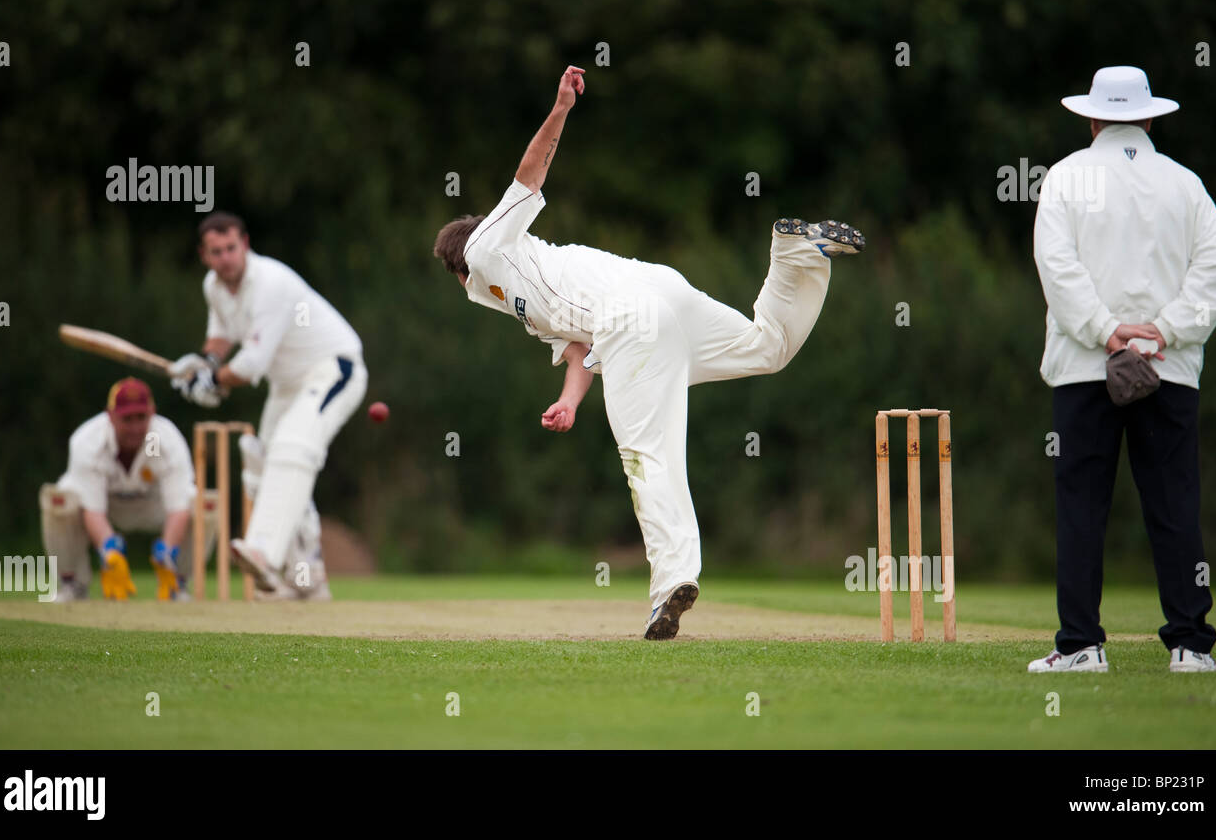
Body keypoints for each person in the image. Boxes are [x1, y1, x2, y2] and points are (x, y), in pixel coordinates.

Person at [433, 65, 864, 639]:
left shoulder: (487, 244)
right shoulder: (520, 295)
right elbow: (579, 350)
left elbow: (528, 176)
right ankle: (794, 254)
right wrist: (570, 402)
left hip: (633, 318)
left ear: (456, 267)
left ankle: (672, 586)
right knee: (769, 348)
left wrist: (560, 108)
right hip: (658, 293)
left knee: (646, 454)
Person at [1029, 66, 1216, 673]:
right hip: (1168, 369)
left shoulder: (1066, 176)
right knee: (1175, 505)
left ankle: (1081, 646)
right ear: (1148, 118)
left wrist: (1103, 330)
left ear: (1092, 119)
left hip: (1082, 368)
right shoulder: (1186, 184)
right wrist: (1164, 329)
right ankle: (1190, 647)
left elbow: (1057, 268)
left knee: (1081, 508)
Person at [170, 212, 366, 600]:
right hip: (287, 384)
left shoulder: (270, 283)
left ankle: (262, 551)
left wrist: (213, 379)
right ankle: (305, 579)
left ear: (245, 245)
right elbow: (221, 340)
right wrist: (203, 366)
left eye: (231, 248)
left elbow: (251, 365)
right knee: (261, 464)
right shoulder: (215, 287)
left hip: (333, 369)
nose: (225, 258)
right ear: (204, 256)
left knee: (294, 449)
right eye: (216, 252)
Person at [39, 378, 201, 601]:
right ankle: (72, 583)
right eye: (127, 419)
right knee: (59, 499)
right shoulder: (89, 440)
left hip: (151, 505)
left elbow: (178, 505)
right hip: (104, 506)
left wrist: (167, 552)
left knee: (201, 502)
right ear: (110, 415)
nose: (135, 428)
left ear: (152, 412)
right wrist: (111, 551)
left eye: (141, 417)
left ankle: (176, 584)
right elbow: (93, 509)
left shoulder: (161, 440)